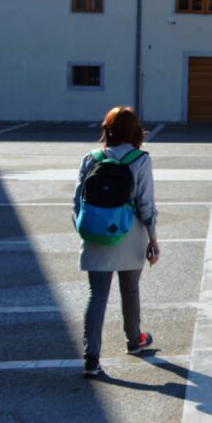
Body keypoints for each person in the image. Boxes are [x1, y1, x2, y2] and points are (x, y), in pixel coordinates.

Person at [76, 105, 160, 378]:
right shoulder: (140, 159)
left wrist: (84, 228)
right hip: (129, 233)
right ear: (135, 132)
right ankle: (134, 341)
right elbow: (146, 204)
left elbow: (78, 200)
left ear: (107, 130)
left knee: (96, 295)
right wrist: (153, 239)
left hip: (96, 234)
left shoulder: (91, 158)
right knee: (130, 290)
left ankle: (91, 358)